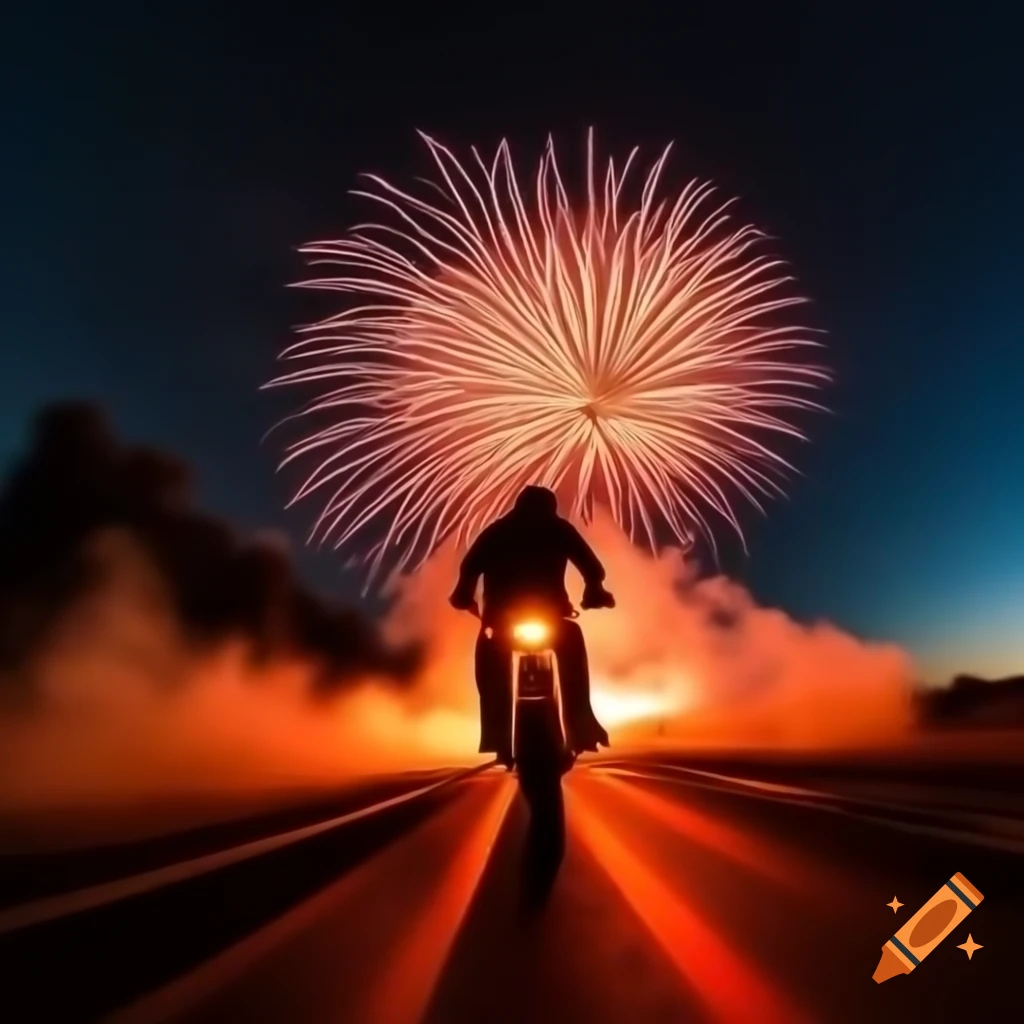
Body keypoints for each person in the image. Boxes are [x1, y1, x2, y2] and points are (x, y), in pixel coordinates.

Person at [448, 485, 615, 768]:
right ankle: (578, 729)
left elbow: (470, 566)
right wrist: (594, 589)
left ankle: (505, 738)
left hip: (506, 621)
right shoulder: (557, 528)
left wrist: (462, 595)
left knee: (490, 652)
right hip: (536, 619)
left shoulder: (498, 531)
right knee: (569, 640)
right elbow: (591, 566)